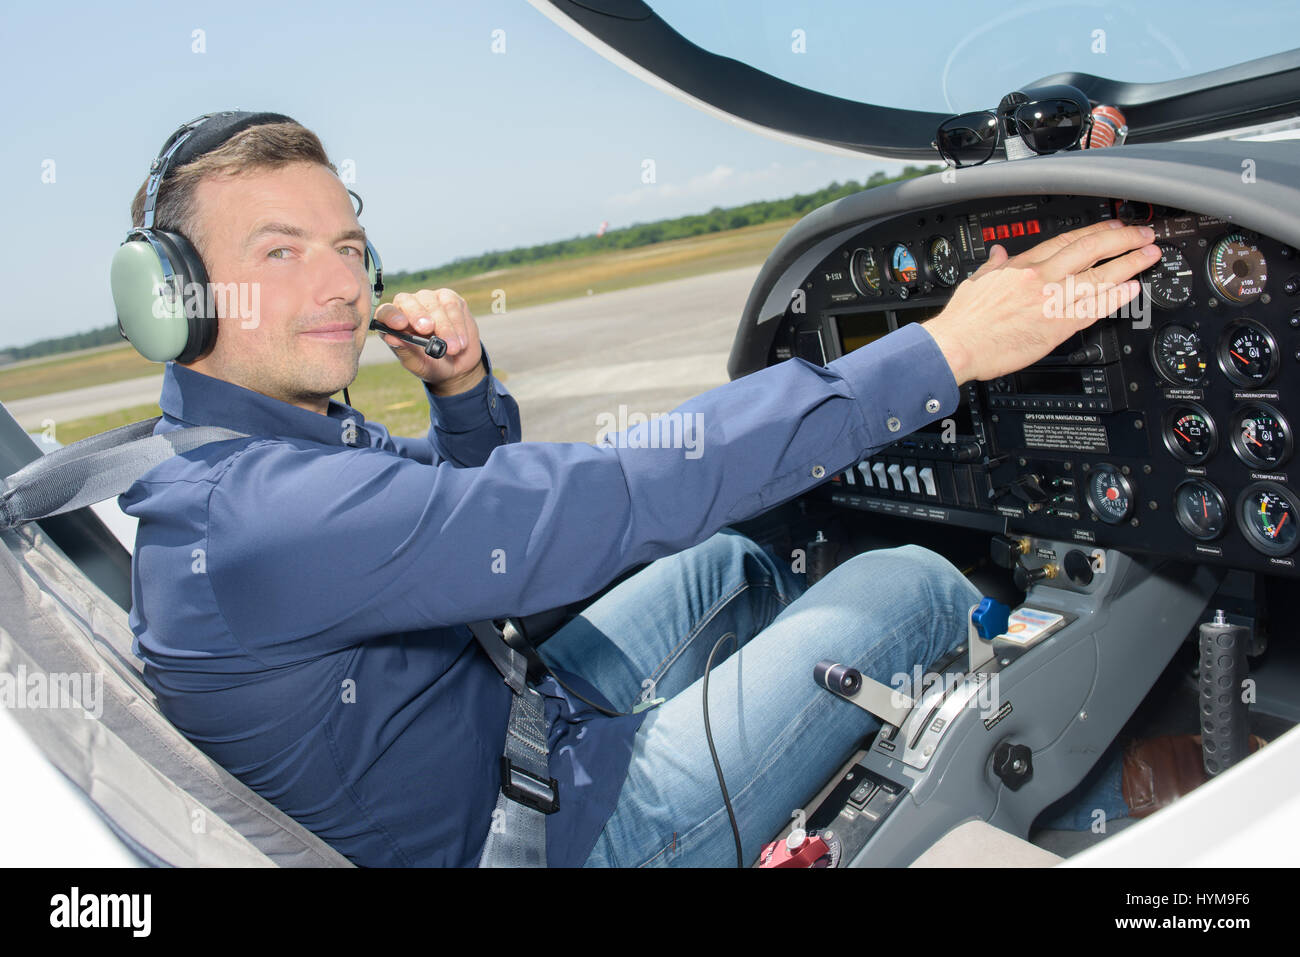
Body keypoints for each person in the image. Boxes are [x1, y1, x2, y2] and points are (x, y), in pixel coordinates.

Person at [120, 112, 1162, 867]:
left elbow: (469, 560)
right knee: (908, 586)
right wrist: (943, 349)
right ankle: (1111, 810)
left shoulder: (250, 455)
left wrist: (463, 394)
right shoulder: (263, 517)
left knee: (734, 559)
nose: (344, 284)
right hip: (548, 834)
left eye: (347, 247)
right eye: (281, 252)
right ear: (177, 298)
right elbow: (606, 495)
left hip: (521, 725)